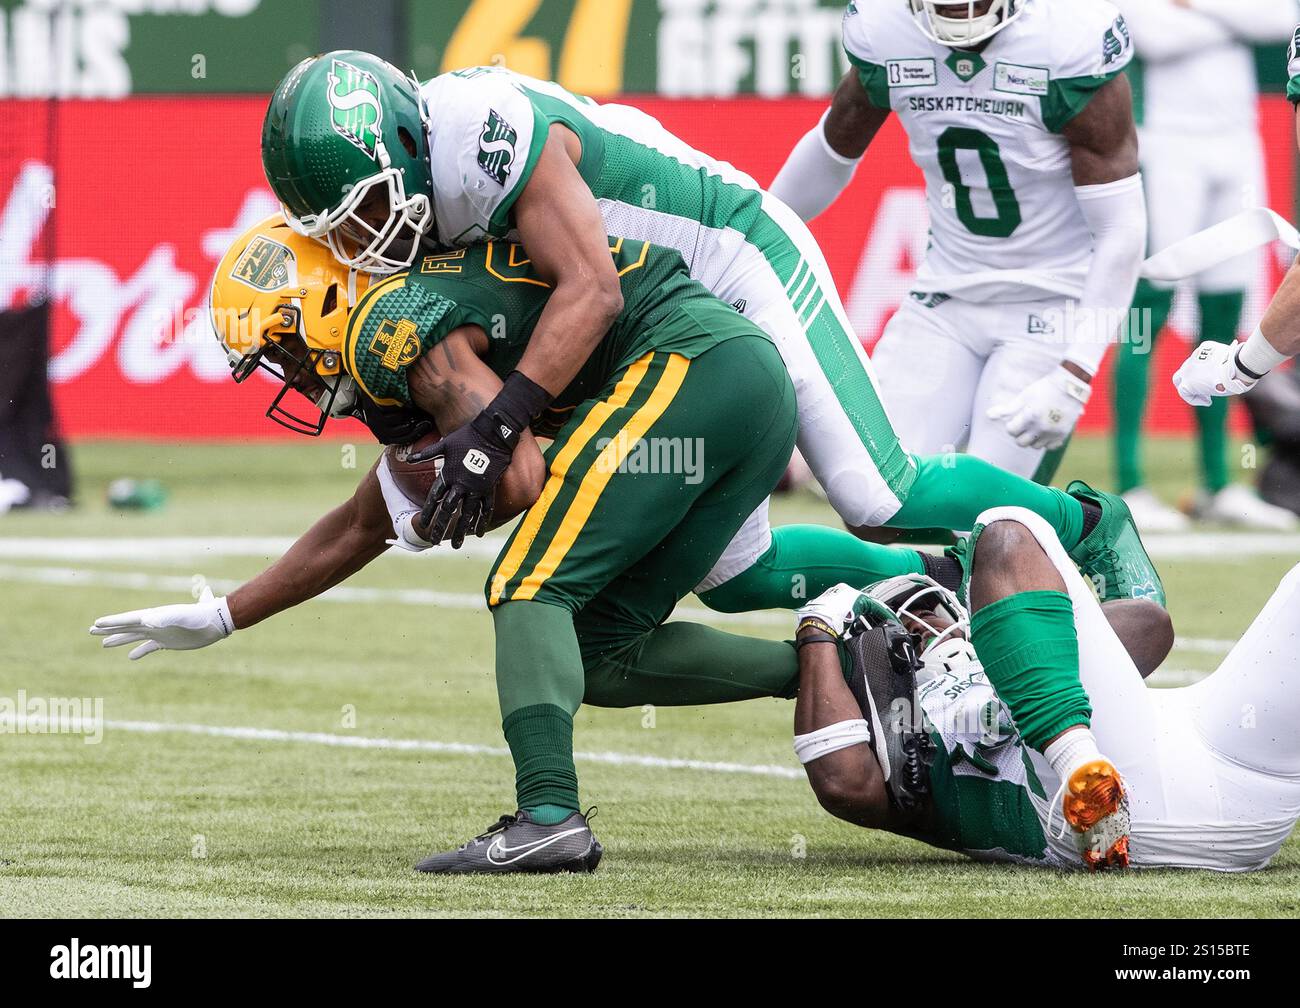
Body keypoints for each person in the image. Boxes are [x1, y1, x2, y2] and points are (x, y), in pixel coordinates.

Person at [93, 217, 1136, 872]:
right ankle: (848, 660)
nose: (281, 375)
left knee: (528, 587)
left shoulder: (384, 330)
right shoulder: (399, 335)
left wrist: (474, 491)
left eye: (277, 347)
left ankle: (546, 816)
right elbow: (367, 521)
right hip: (720, 385)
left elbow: (518, 477)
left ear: (320, 306)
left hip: (691, 370)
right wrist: (227, 612)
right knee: (602, 650)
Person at [258, 47, 1164, 612]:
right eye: (334, 227)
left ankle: (1089, 523)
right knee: (737, 579)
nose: (361, 239)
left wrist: (497, 430)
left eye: (367, 206)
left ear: (409, 149)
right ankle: (945, 575)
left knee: (876, 492)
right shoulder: (417, 193)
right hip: (669, 318)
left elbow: (591, 291)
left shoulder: (480, 136)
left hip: (733, 258)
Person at [793, 510, 1300, 871]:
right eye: (911, 627)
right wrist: (817, 629)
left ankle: (1076, 757)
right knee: (1008, 527)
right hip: (1086, 806)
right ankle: (1075, 762)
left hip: (1242, 799)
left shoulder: (1019, 661)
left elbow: (1150, 626)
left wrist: (1014, 641)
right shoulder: (906, 732)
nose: (929, 625)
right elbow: (844, 787)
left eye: (932, 612)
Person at [771, 0, 1146, 487]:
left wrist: (1075, 372)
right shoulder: (886, 29)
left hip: (1052, 302)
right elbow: (832, 149)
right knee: (874, 498)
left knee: (990, 520)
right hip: (945, 296)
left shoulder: (1068, 40)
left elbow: (1121, 228)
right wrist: (755, 228)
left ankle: (1075, 545)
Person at [1114, 0, 1297, 532]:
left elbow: (1283, 21)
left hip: (1237, 139)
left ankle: (1217, 483)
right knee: (1149, 306)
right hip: (1168, 143)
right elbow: (1151, 36)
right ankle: (1129, 482)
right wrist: (1233, 17)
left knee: (1226, 309)